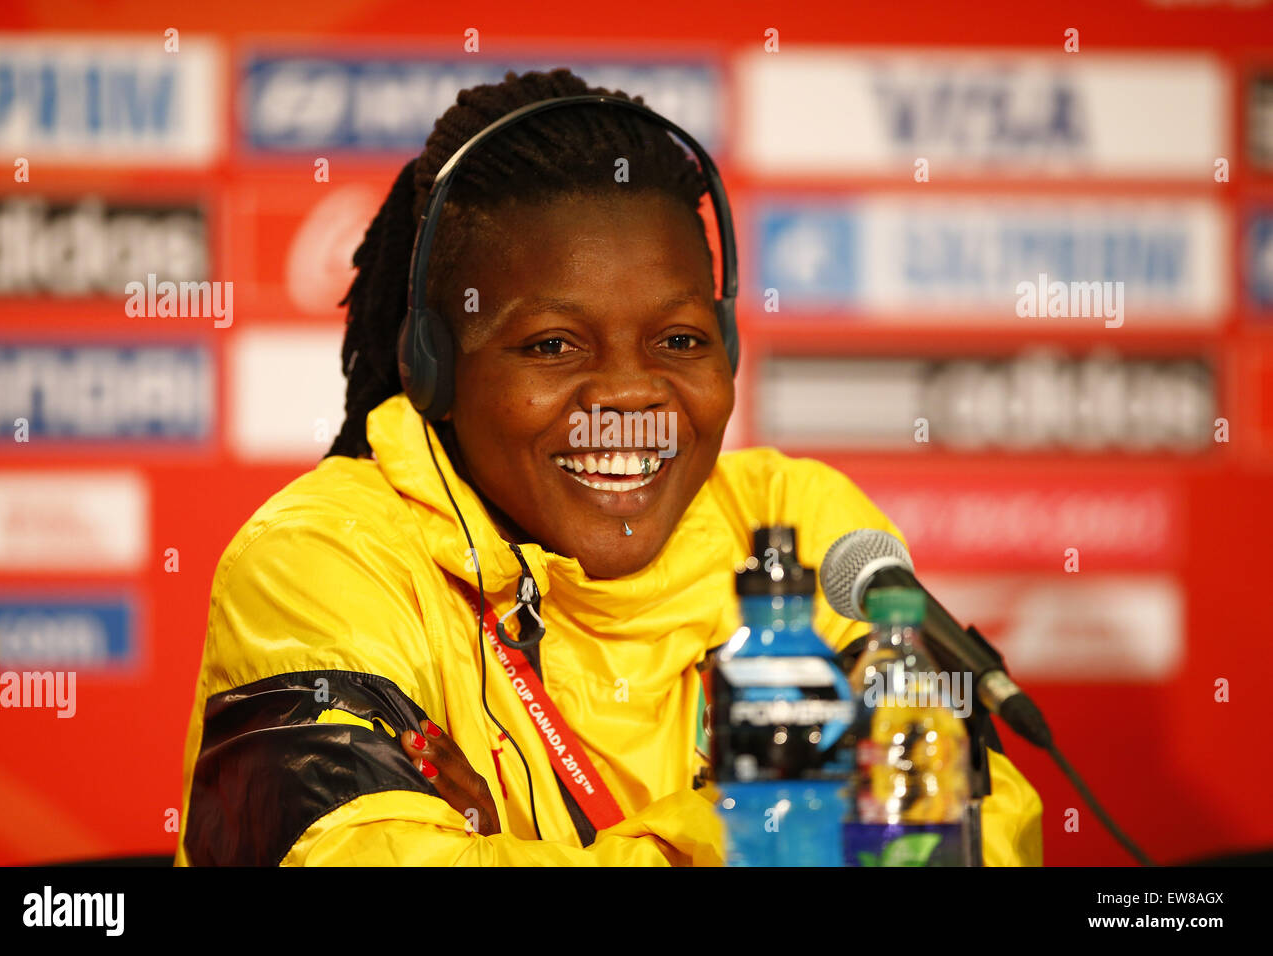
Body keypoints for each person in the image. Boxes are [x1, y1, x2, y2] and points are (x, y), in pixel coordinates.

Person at [173, 68, 1042, 866]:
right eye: (553, 345)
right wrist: (772, 828)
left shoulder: (801, 528)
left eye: (678, 341)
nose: (629, 396)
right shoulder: (320, 560)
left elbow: (965, 828)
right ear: (430, 365)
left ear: (728, 348)